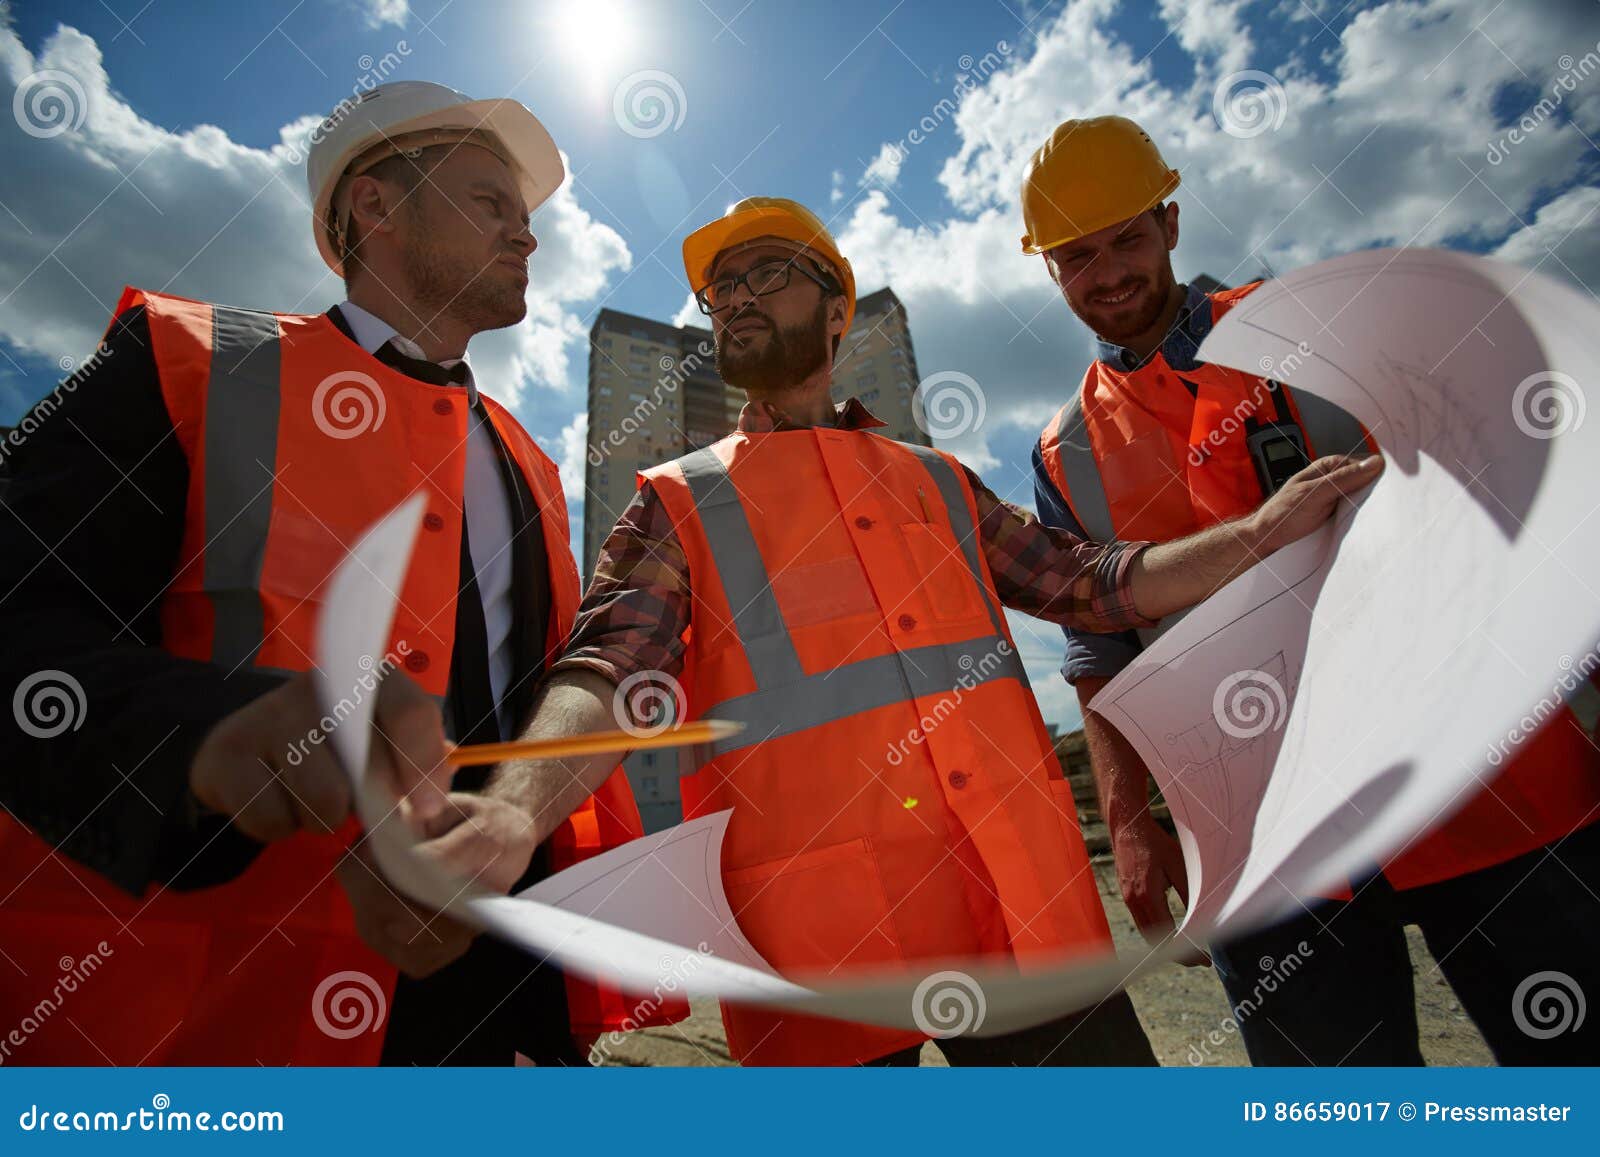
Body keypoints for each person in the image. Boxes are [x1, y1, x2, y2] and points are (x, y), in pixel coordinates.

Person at [419, 195, 1382, 1066]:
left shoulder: (933, 479)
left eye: (765, 273)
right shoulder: (679, 502)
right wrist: (515, 805)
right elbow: (606, 666)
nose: (735, 297)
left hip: (1015, 901)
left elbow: (1093, 587)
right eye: (721, 290)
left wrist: (1253, 535)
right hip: (823, 938)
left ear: (838, 309)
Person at [0, 80, 672, 1066]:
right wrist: (206, 730)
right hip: (220, 1020)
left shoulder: (528, 462)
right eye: (491, 201)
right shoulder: (186, 363)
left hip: (492, 985)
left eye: (526, 218)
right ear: (376, 202)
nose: (525, 236)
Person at [1024, 115, 1600, 1065]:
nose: (1110, 272)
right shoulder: (1063, 450)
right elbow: (1097, 641)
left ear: (1171, 224)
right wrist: (1129, 816)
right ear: (1052, 272)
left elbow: (1510, 491)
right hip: (1264, 826)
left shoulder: (1323, 322)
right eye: (1079, 256)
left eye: (1128, 237)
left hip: (1481, 768)